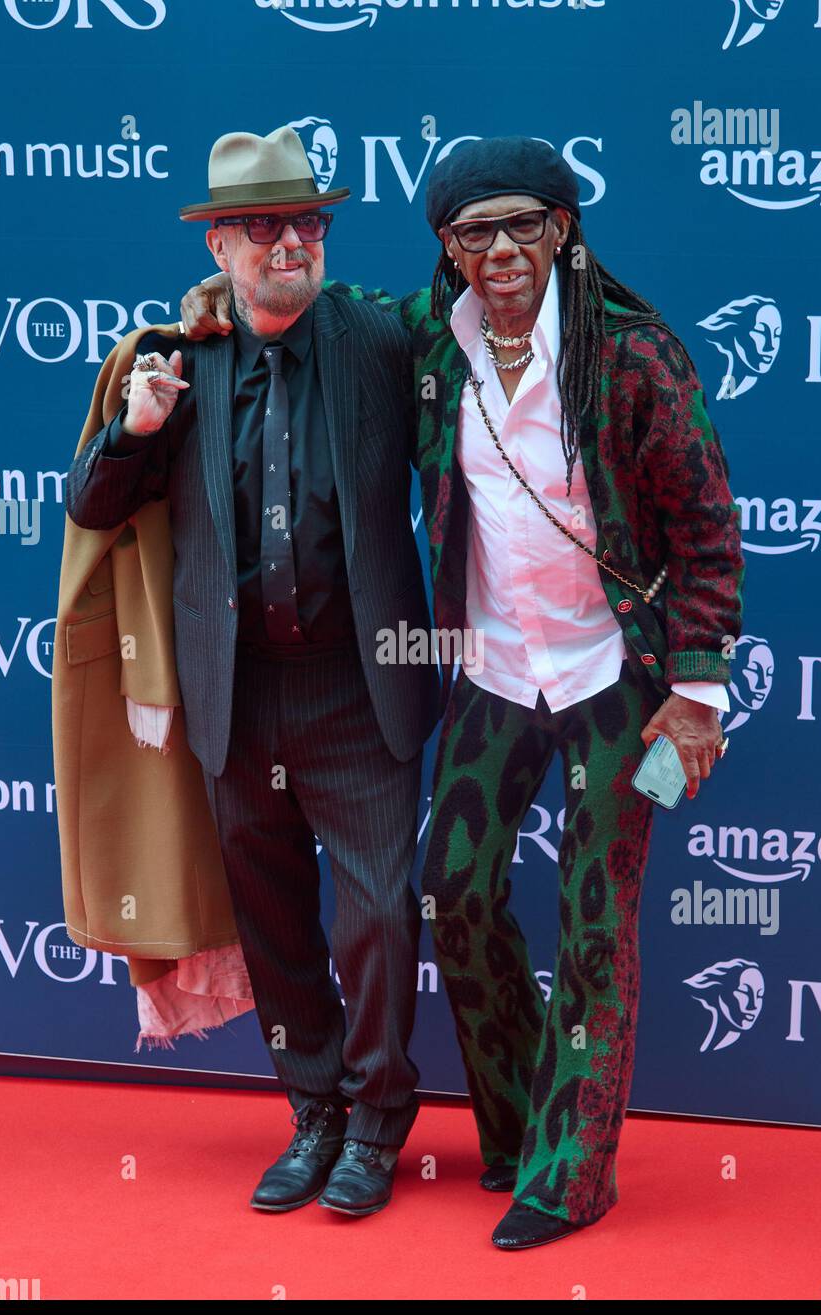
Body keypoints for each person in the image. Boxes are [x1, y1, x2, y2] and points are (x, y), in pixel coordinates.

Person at [180, 135, 744, 1249]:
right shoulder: (427, 346)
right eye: (472, 231)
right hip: (492, 669)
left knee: (592, 920)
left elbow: (707, 532)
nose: (499, 251)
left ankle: (572, 1170)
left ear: (563, 231)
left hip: (612, 680)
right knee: (456, 893)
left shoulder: (634, 358)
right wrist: (221, 292)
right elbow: (309, 306)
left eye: (522, 224)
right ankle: (520, 1123)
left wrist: (697, 692)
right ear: (445, 247)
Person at [65, 125, 439, 1219]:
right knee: (273, 921)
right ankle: (312, 1109)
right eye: (266, 225)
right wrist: (134, 430)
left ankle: (377, 1121)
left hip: (356, 687)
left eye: (308, 221)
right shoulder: (172, 358)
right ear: (220, 243)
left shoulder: (377, 339)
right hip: (237, 693)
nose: (292, 241)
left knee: (375, 916)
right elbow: (94, 506)